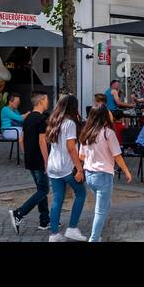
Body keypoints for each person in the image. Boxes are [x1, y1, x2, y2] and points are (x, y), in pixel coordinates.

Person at [77, 101, 132, 241]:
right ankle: (94, 239)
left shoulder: (86, 132)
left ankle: (98, 233)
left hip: (89, 174)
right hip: (103, 175)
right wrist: (126, 171)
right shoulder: (108, 133)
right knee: (100, 211)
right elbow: (117, 156)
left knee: (104, 205)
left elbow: (81, 156)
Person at [45, 94, 88, 240]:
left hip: (53, 165)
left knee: (57, 199)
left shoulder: (54, 121)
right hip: (66, 167)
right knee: (81, 194)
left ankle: (54, 233)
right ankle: (72, 227)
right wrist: (80, 168)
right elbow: (71, 148)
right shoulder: (69, 123)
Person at [10, 92, 51, 234]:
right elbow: (42, 141)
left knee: (41, 188)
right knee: (44, 190)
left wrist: (25, 155)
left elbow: (21, 140)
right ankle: (19, 213)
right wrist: (46, 161)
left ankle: (44, 221)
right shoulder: (41, 119)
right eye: (46, 99)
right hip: (39, 160)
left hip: (30, 159)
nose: (48, 102)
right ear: (40, 101)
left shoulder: (27, 119)